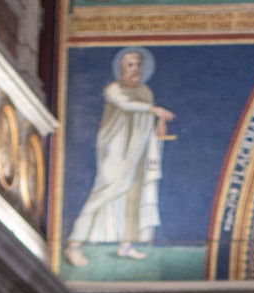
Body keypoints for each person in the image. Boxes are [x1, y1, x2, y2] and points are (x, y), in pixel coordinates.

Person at [64, 47, 174, 267]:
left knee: (134, 195)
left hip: (136, 153)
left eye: (137, 65)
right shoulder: (114, 89)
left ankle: (126, 245)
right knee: (104, 192)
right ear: (122, 68)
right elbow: (126, 105)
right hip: (114, 153)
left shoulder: (145, 92)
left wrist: (157, 129)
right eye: (130, 65)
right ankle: (74, 244)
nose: (135, 70)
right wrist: (154, 110)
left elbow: (144, 122)